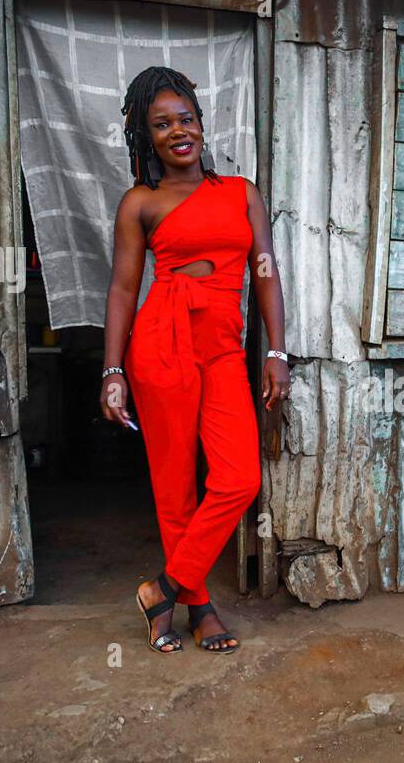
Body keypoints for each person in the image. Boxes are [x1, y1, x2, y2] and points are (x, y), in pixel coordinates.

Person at [100, 67, 288, 655]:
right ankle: (199, 608)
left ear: (202, 125)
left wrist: (276, 350)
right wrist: (112, 372)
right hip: (161, 342)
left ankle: (163, 589)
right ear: (145, 136)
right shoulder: (141, 202)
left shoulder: (240, 192)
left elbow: (265, 273)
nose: (177, 132)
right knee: (174, 483)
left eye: (185, 119)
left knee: (238, 478)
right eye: (162, 125)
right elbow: (124, 290)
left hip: (224, 348)